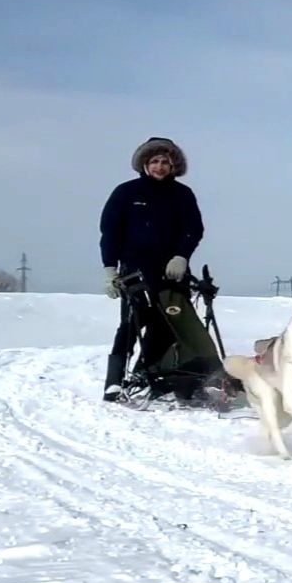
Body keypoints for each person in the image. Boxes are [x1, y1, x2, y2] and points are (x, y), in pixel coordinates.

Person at [99, 137, 204, 401]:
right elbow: (110, 233)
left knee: (166, 325)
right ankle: (114, 382)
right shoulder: (126, 192)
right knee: (131, 324)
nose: (159, 166)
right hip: (135, 272)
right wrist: (110, 269)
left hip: (172, 272)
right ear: (144, 164)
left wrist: (181, 256)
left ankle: (144, 374)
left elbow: (193, 229)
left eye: (165, 162)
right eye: (154, 161)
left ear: (173, 166)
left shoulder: (183, 194)